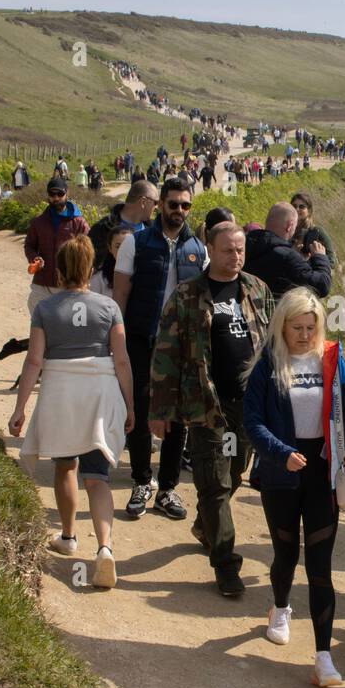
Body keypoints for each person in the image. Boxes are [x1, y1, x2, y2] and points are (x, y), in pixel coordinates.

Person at [243, 287, 345, 686]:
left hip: (322, 472)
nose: (303, 334)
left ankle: (323, 657)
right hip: (281, 473)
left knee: (321, 567)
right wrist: (280, 452)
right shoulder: (267, 364)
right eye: (296, 327)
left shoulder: (333, 360)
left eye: (310, 327)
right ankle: (280, 607)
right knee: (285, 554)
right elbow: (253, 422)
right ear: (282, 326)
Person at [148, 222, 275, 596]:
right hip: (207, 408)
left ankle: (206, 525)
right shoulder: (187, 296)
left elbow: (271, 345)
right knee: (215, 483)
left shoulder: (256, 289)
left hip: (248, 408)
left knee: (234, 472)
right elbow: (164, 356)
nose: (235, 257)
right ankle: (225, 564)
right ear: (210, 250)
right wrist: (160, 409)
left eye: (240, 251)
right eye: (227, 251)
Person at [11, 236, 132, 589]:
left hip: (62, 392)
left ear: (60, 270)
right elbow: (121, 360)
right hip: (100, 392)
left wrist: (20, 408)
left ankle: (67, 536)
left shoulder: (45, 310)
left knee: (65, 465)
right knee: (97, 478)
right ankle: (105, 549)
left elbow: (34, 361)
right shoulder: (109, 308)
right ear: (92, 268)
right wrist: (130, 403)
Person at [113, 177, 206, 520]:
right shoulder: (135, 244)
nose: (179, 211)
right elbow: (120, 294)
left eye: (185, 205)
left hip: (181, 347)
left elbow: (203, 303)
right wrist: (117, 339)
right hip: (140, 339)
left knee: (177, 416)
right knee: (137, 410)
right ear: (160, 205)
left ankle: (167, 489)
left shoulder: (199, 248)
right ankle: (141, 481)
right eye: (173, 204)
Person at [23, 177, 89, 314]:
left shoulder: (79, 223)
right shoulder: (38, 222)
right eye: (52, 194)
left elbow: (87, 253)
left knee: (66, 328)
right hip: (42, 284)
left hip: (69, 285)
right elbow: (29, 245)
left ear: (67, 193)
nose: (56, 198)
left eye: (60, 194)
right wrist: (35, 258)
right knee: (39, 325)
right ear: (48, 196)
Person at [244, 201, 332, 299]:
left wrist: (297, 257)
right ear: (289, 226)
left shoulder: (245, 241)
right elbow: (322, 285)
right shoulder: (288, 257)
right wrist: (320, 257)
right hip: (267, 311)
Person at [89, 178, 154, 269]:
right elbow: (90, 267)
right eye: (155, 203)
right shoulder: (102, 229)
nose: (156, 207)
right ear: (143, 202)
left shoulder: (154, 230)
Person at [289, 192, 336, 268]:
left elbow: (332, 262)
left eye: (302, 207)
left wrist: (311, 258)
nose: (297, 209)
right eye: (294, 206)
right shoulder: (286, 226)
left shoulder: (317, 232)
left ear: (309, 211)